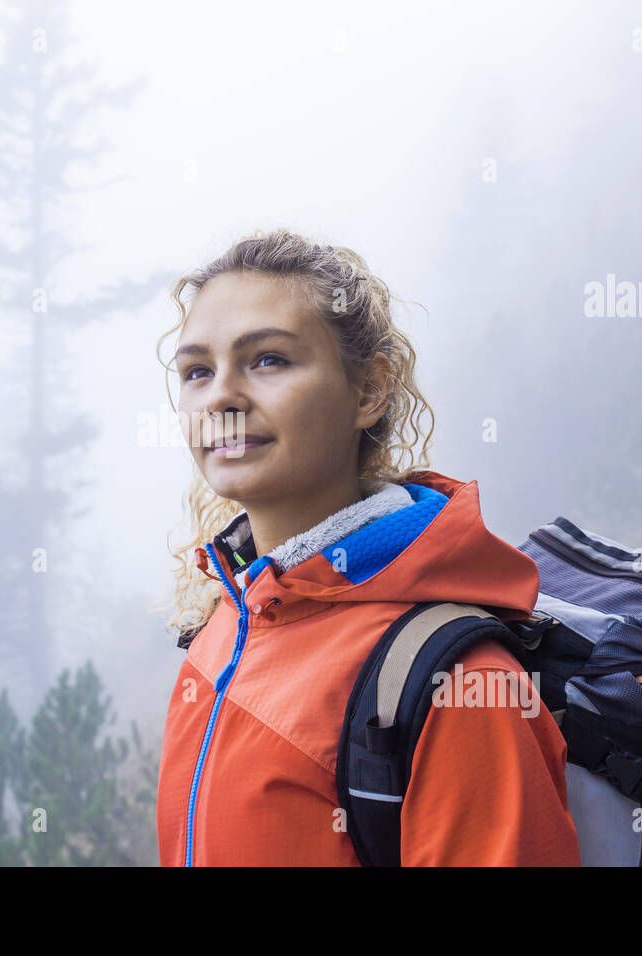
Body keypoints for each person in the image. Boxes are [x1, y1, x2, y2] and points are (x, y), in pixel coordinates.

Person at [153, 228, 581, 866]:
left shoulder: (457, 682)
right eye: (197, 371)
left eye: (268, 359)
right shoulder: (221, 628)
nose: (221, 397)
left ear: (369, 391)